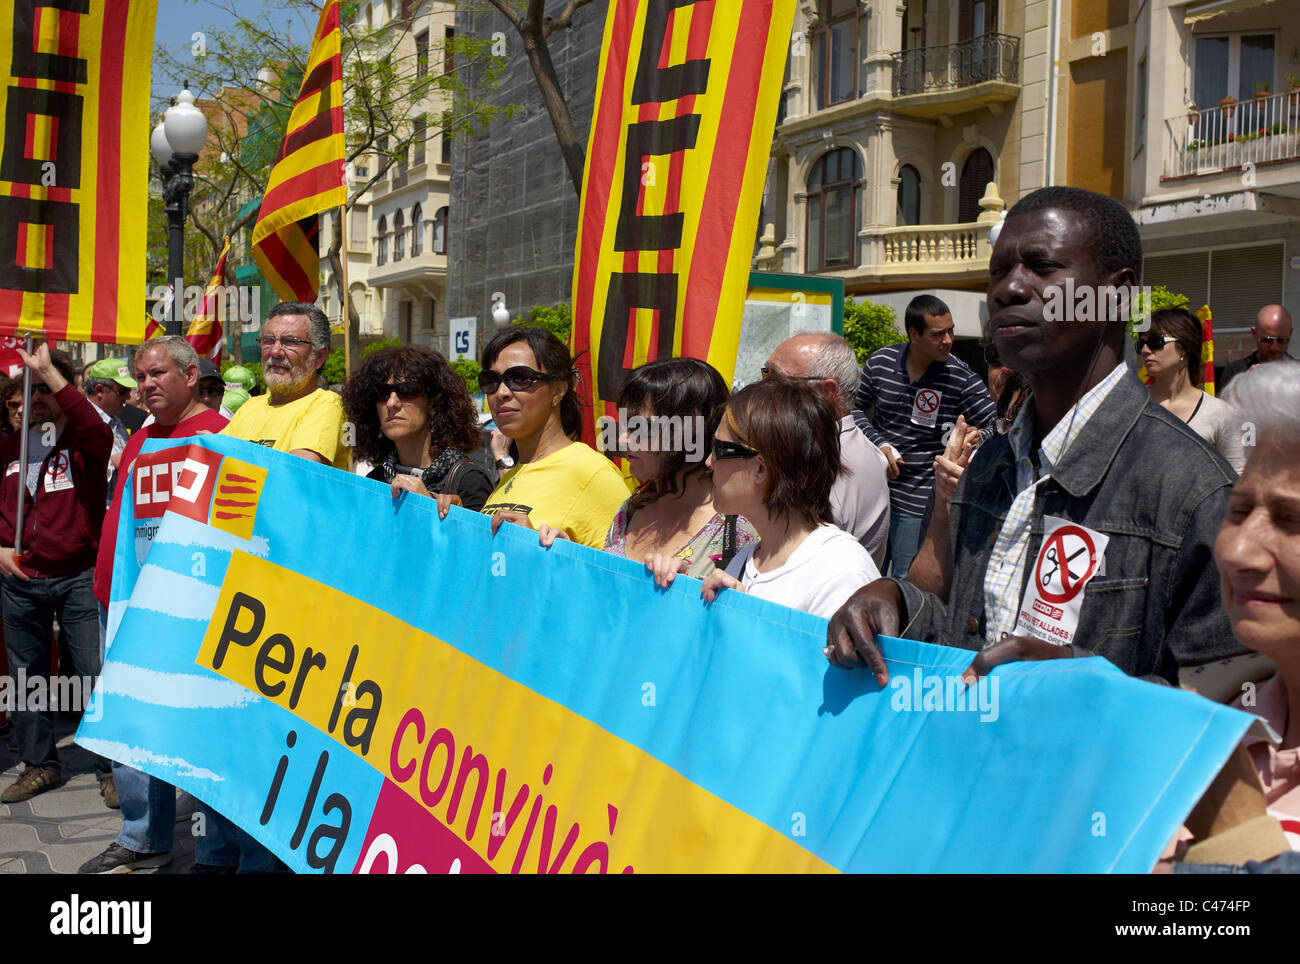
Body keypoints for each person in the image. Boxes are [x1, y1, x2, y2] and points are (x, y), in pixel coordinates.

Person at [825, 185, 1244, 685]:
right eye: (998, 272)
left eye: (1041, 268)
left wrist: (1080, 684)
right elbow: (970, 634)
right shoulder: (990, 466)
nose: (1009, 289)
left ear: (1118, 294)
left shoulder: (1196, 492)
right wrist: (895, 600)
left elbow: (1222, 705)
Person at [78, 336, 229, 874]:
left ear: (191, 376)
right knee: (132, 723)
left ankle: (216, 848)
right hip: (119, 600)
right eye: (140, 377)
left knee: (199, 727)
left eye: (157, 374)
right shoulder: (142, 435)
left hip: (185, 606)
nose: (145, 385)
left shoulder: (219, 436)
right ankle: (142, 835)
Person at [0, 345, 113, 805]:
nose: (36, 398)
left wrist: (48, 369)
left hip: (78, 576)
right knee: (26, 677)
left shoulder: (82, 439)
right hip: (21, 581)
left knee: (92, 672)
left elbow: (94, 428)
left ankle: (111, 767)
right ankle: (39, 765)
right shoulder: (8, 446)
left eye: (46, 388)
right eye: (29, 390)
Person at [689, 378, 880, 619]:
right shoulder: (746, 560)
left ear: (760, 469)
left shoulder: (840, 572)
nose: (708, 462)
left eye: (718, 449)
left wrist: (743, 621)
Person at [853, 294, 997, 579]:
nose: (948, 340)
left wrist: (976, 437)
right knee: (863, 574)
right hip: (873, 493)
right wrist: (879, 444)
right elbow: (854, 410)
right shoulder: (880, 362)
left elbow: (997, 425)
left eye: (951, 330)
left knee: (905, 582)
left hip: (918, 503)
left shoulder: (961, 378)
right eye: (938, 334)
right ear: (913, 334)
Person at [605, 358, 757, 581]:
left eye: (641, 427)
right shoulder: (630, 509)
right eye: (625, 423)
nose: (622, 439)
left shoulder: (736, 530)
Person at [478, 327, 629, 548]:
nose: (501, 392)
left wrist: (538, 551)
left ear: (558, 391)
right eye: (491, 380)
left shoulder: (593, 474)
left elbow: (619, 577)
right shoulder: (513, 476)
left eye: (519, 378)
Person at [764, 334, 890, 569]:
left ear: (826, 391)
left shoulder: (828, 464)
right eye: (765, 374)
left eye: (775, 378)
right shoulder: (844, 447)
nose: (762, 388)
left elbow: (793, 569)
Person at [341, 345, 495, 512]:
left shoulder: (469, 480)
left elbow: (473, 538)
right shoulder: (375, 481)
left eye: (406, 391)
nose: (392, 403)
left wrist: (427, 507)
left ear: (433, 403)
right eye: (382, 393)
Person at [222, 302, 350, 468]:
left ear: (319, 356)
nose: (275, 351)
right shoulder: (250, 406)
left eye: (290, 342)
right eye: (268, 340)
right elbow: (211, 457)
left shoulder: (326, 404)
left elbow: (295, 473)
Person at [1139, 306, 1246, 474]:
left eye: (1155, 342)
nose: (1145, 351)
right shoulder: (1131, 403)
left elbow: (1237, 481)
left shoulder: (1221, 414)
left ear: (1184, 347)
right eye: (1141, 343)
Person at [83, 357, 134, 495]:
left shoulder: (117, 422)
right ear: (99, 390)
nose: (128, 397)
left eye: (129, 390)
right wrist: (113, 461)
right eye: (123, 391)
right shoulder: (84, 421)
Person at [1218, 304, 1293, 391]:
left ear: (1290, 333)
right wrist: (1241, 385)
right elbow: (1222, 403)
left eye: (1282, 340)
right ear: (1254, 333)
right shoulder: (1234, 371)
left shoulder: (1297, 372)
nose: (1274, 347)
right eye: (1267, 340)